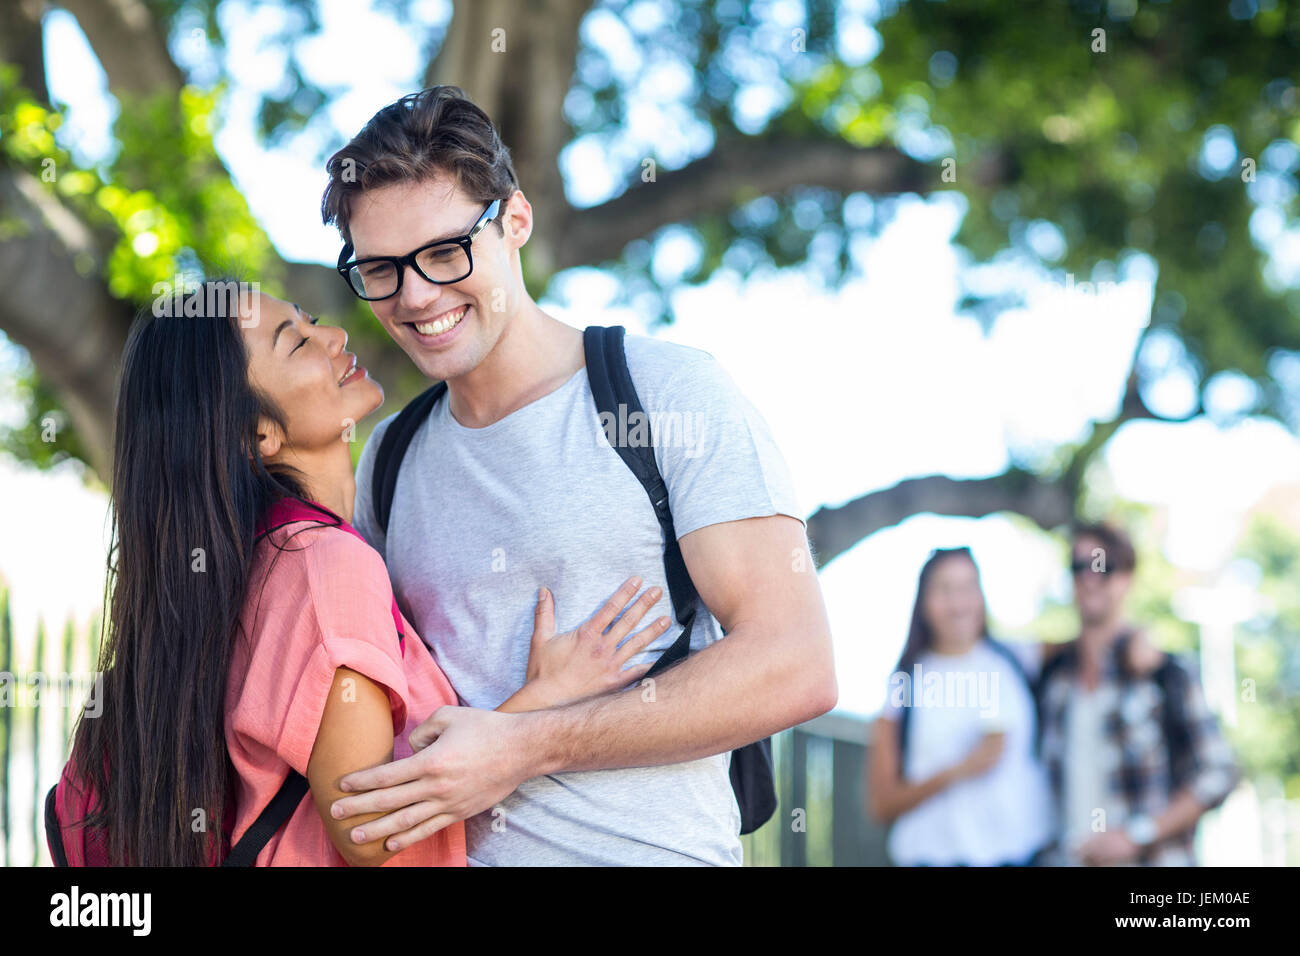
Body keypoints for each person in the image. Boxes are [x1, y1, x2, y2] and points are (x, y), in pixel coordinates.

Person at [319, 86, 838, 865]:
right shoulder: (389, 457)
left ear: (515, 221)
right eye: (382, 269)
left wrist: (526, 745)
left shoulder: (666, 393)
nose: (416, 295)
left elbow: (796, 664)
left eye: (443, 253)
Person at [55, 284, 671, 866]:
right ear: (257, 434)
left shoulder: (249, 563)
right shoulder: (325, 565)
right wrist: (545, 698)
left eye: (310, 321)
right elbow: (367, 825)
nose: (335, 337)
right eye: (296, 343)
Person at [1036, 521, 1240, 866]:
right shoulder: (1053, 680)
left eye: (1103, 566)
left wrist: (1140, 833)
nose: (1089, 578)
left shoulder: (1164, 673)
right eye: (1078, 567)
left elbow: (1220, 771)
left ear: (1127, 578)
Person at [867, 547, 1055, 866]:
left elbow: (1089, 643)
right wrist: (961, 769)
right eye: (944, 589)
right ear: (923, 602)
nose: (958, 603)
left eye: (968, 587)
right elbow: (881, 803)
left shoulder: (1015, 659)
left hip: (1021, 856)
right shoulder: (906, 682)